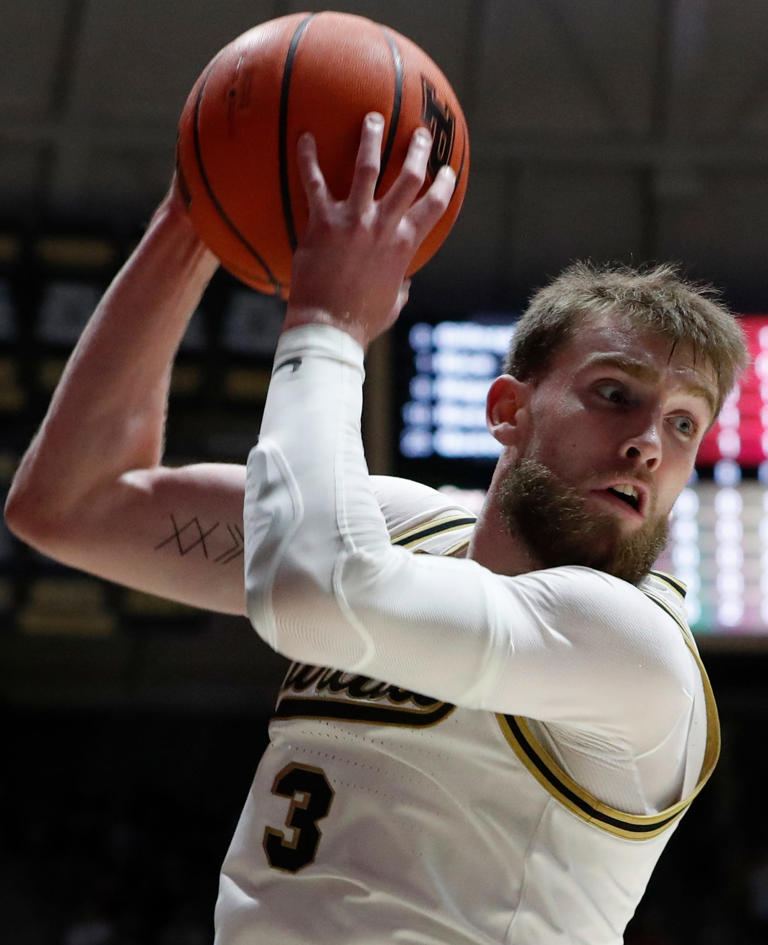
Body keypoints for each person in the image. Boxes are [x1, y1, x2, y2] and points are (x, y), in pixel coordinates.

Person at [4, 107, 747, 945]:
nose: (649, 443)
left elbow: (312, 594)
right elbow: (73, 503)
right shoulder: (399, 532)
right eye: (617, 393)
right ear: (508, 409)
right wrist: (198, 214)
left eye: (685, 423)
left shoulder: (629, 646)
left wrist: (326, 327)